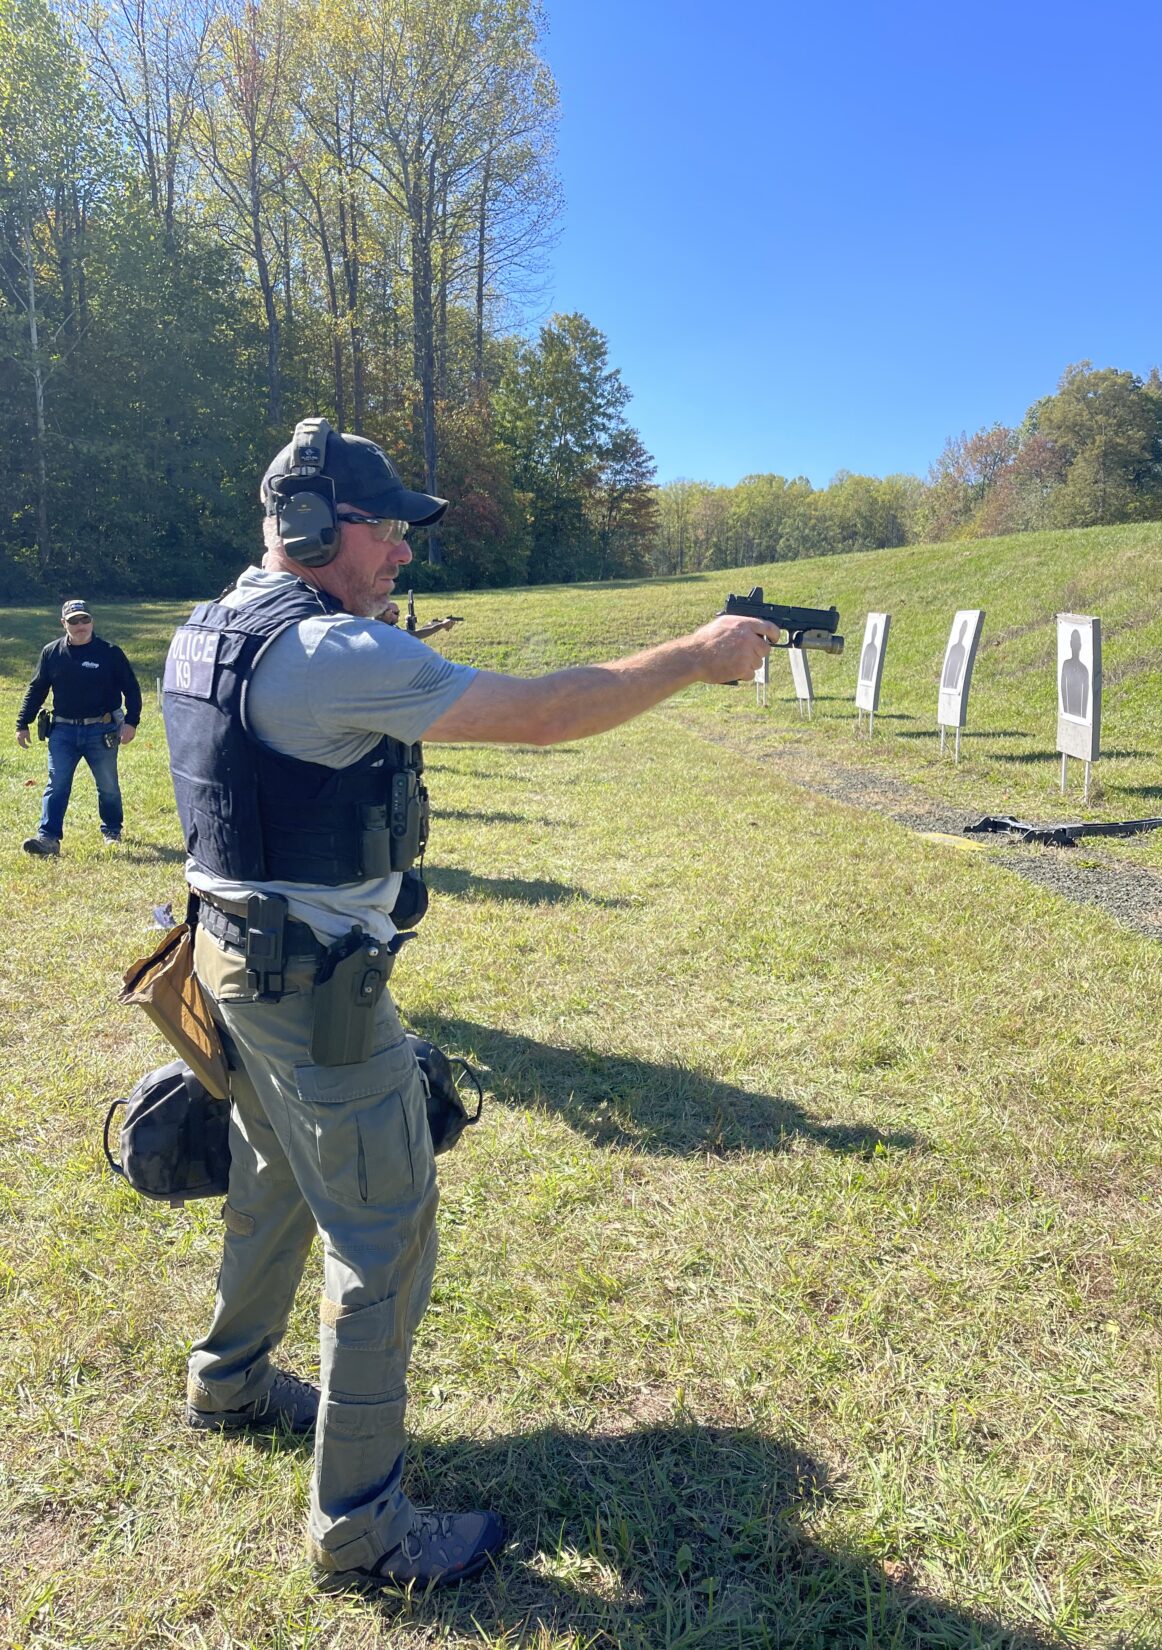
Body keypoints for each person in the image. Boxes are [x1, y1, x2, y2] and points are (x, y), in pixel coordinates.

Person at [161, 417, 775, 1596]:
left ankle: (228, 1382)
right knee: (382, 1236)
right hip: (315, 990)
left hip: (233, 965)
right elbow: (545, 713)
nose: (401, 554)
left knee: (272, 1184)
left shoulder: (215, 626)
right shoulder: (331, 654)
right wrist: (697, 655)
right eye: (384, 530)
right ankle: (361, 1531)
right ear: (308, 527)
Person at [15, 599, 142, 855]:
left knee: (108, 785)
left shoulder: (110, 652)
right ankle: (48, 838)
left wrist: (131, 721)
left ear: (92, 621)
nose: (81, 625)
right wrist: (22, 722)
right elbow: (37, 689)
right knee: (57, 783)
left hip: (102, 729)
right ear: (64, 623)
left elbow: (132, 688)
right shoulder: (52, 653)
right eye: (74, 621)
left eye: (85, 619)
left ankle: (112, 831)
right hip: (62, 731)